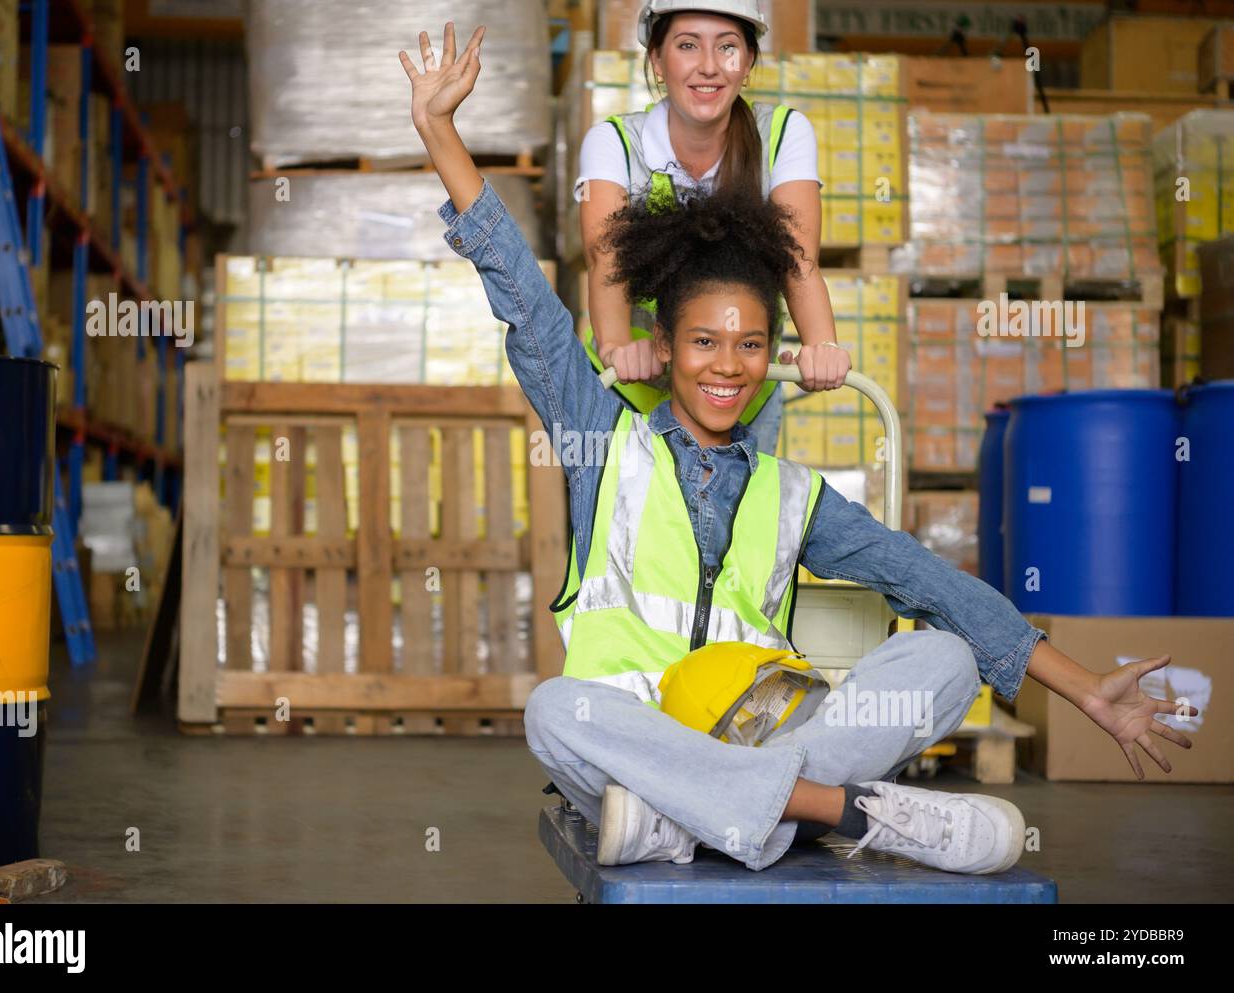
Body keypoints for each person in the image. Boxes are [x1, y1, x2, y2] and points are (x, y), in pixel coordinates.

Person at [399, 22, 1199, 875]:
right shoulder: (604, 441)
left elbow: (932, 583)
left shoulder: (792, 494)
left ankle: (699, 816)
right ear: (664, 347)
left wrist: (1084, 692)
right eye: (704, 342)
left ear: (771, 357)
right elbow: (521, 292)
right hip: (632, 737)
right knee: (557, 711)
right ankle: (844, 813)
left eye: (750, 345)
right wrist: (439, 130)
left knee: (946, 657)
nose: (727, 366)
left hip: (745, 743)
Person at [576, 0, 849, 455]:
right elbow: (606, 259)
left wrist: (821, 345)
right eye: (687, 46)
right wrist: (616, 347)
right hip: (635, 388)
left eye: (727, 47)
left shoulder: (782, 133)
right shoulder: (615, 143)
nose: (708, 67)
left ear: (748, 62)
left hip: (738, 390)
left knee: (742, 523)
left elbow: (798, 261)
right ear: (657, 62)